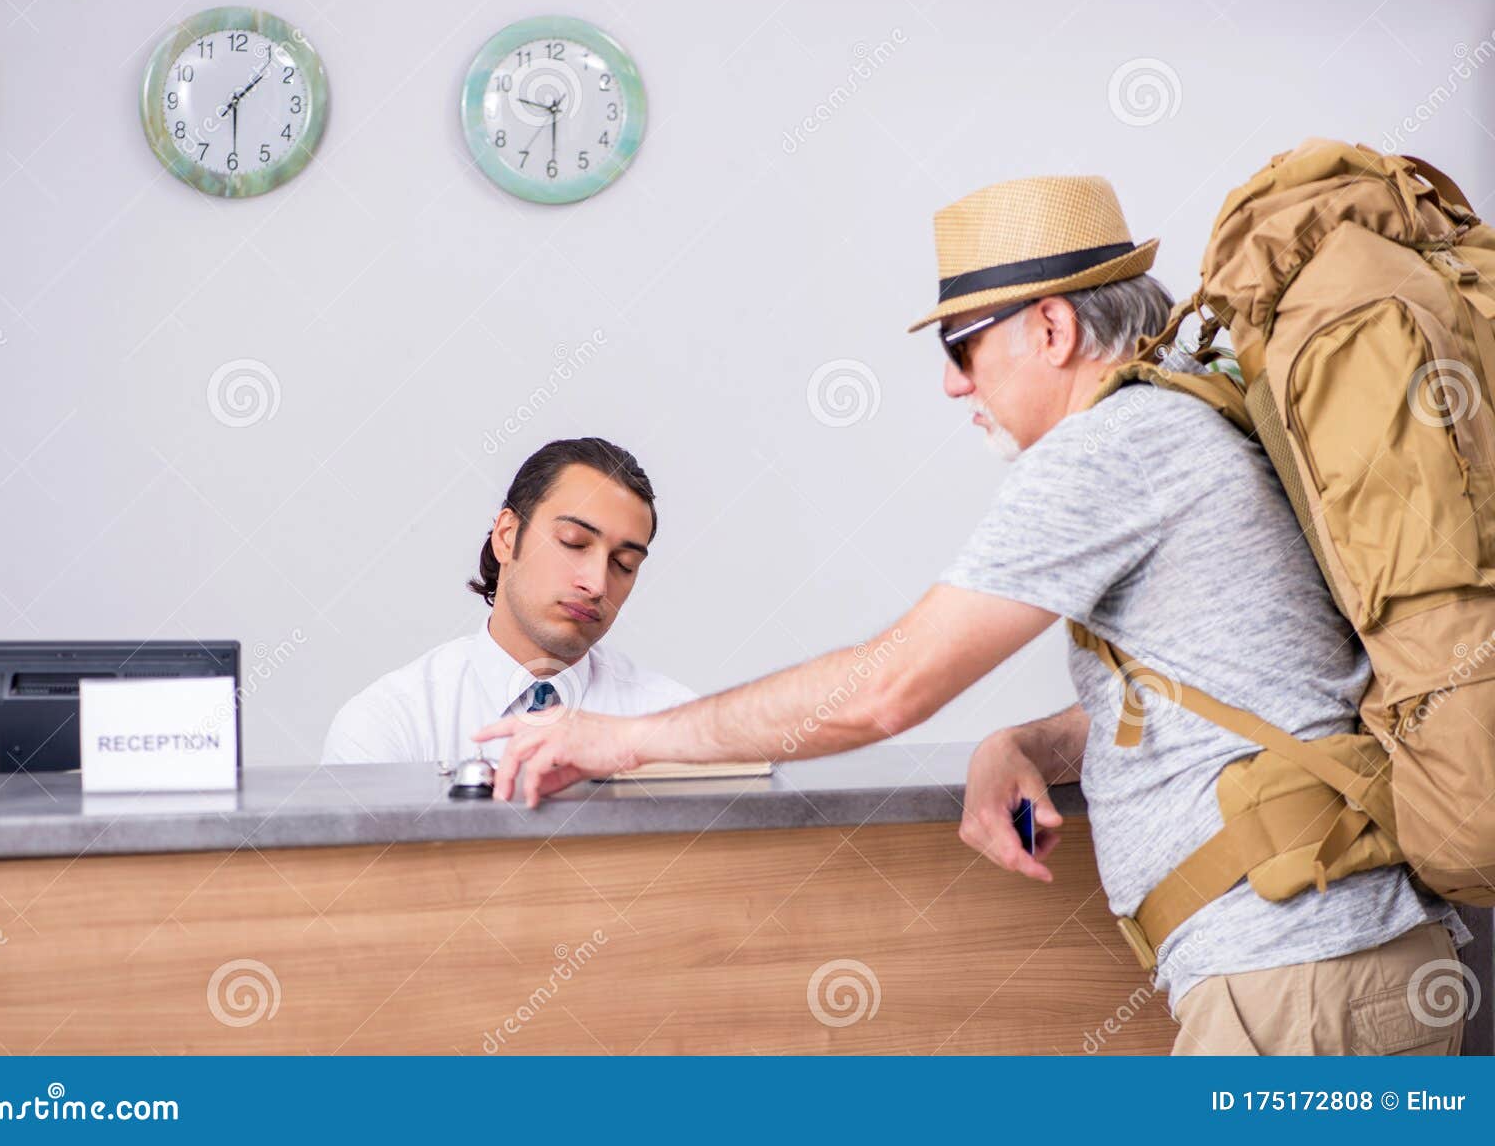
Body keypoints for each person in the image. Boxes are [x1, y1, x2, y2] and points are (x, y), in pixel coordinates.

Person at [474, 176, 1472, 1056]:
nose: (953, 382)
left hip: (1298, 984)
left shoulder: (1110, 449)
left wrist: (622, 741)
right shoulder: (1190, 417)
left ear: (1053, 329)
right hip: (1335, 970)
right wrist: (1019, 742)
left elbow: (884, 691)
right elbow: (1222, 687)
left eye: (963, 344)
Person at [322, 437, 693, 767]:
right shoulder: (389, 724)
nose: (597, 584)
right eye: (573, 542)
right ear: (506, 536)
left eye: (624, 564)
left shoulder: (670, 723)